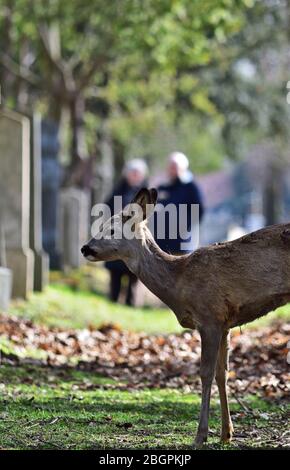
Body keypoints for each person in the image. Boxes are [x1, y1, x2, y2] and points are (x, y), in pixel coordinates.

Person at [105, 159, 148, 305]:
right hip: (116, 239)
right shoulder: (118, 191)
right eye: (132, 172)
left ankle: (132, 303)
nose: (135, 175)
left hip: (134, 241)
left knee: (133, 274)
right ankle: (112, 300)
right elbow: (106, 211)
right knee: (115, 273)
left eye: (138, 173)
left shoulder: (146, 194)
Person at [153, 152, 204, 254]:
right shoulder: (162, 188)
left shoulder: (190, 188)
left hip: (182, 243)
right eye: (170, 166)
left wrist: (184, 226)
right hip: (161, 243)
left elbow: (199, 210)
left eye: (175, 166)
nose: (172, 169)